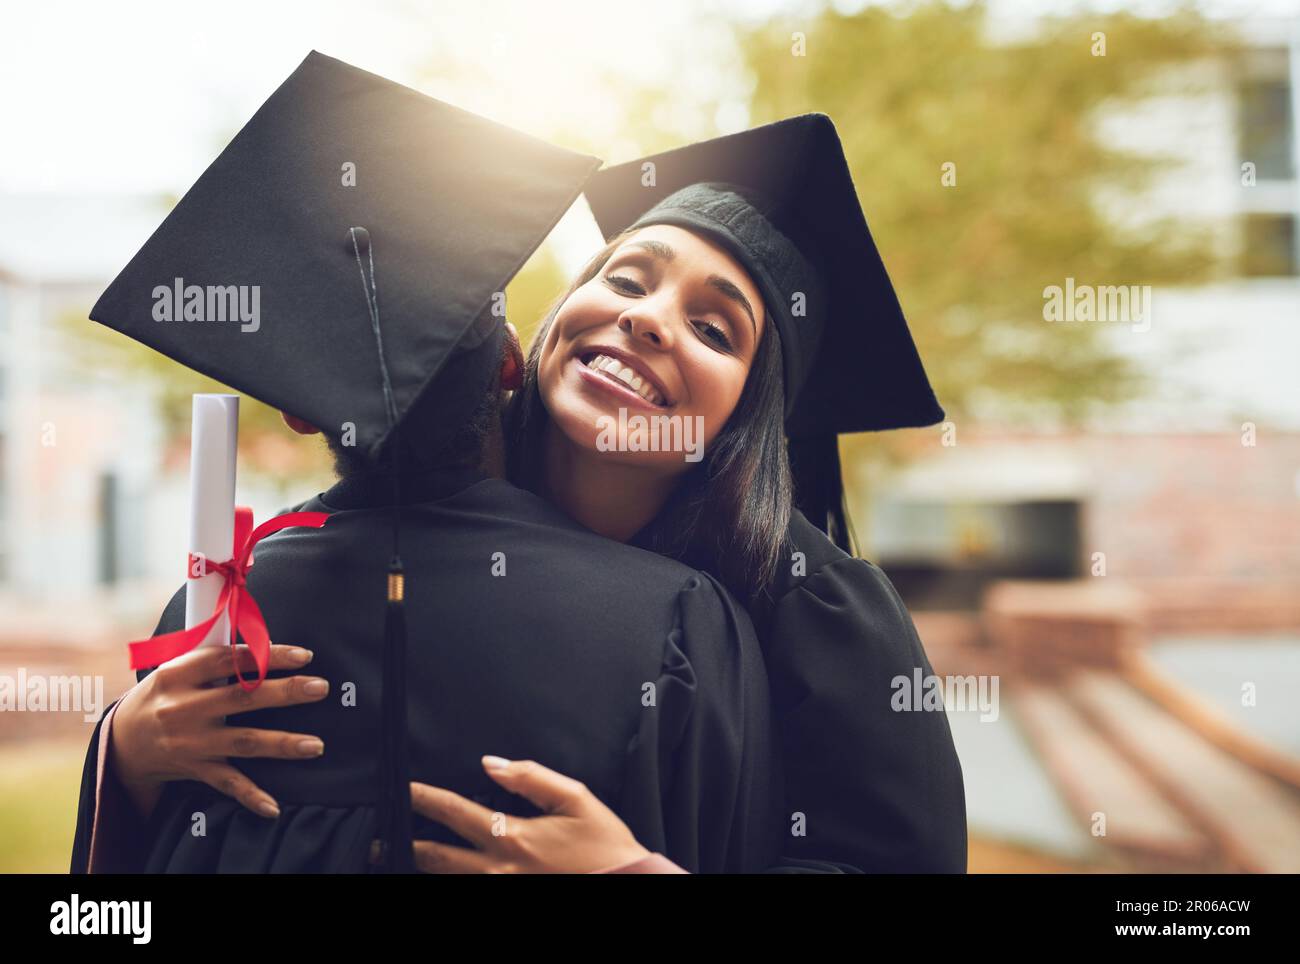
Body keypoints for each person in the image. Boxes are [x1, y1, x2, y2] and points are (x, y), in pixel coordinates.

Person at [69, 51, 791, 875]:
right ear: (514, 363)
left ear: (299, 412)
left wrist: (120, 749)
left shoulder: (215, 623)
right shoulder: (677, 627)